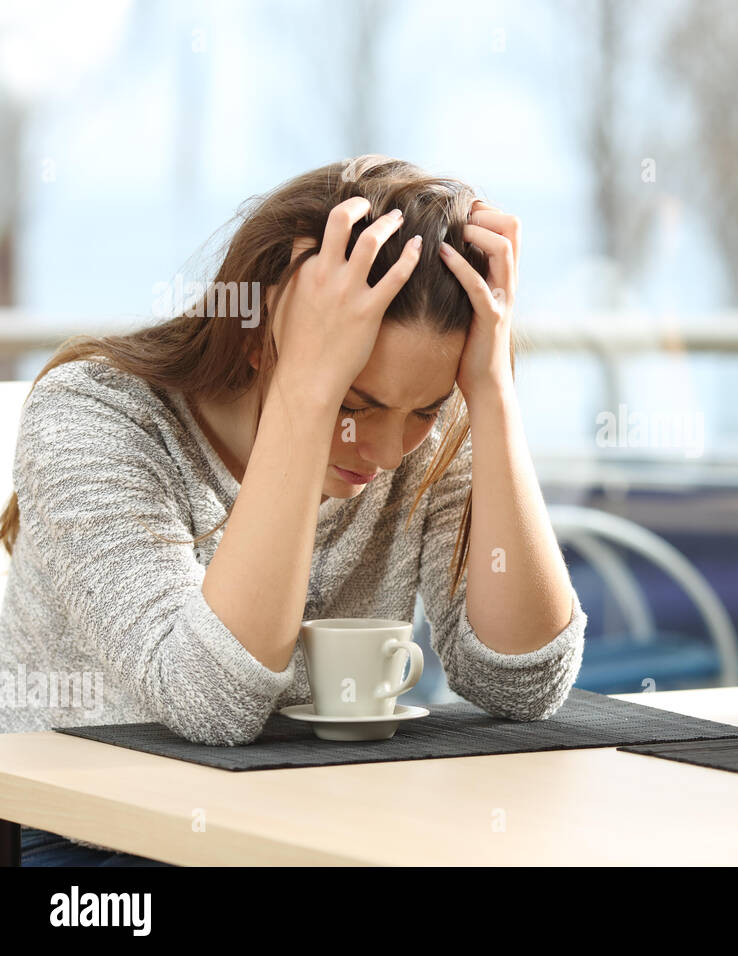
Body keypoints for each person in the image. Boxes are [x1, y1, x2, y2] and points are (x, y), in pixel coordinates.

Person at [0, 155, 587, 864]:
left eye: (424, 411)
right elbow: (208, 704)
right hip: (95, 840)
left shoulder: (422, 426)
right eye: (354, 404)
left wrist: (491, 392)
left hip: (321, 822)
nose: (389, 450)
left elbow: (520, 685)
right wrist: (308, 389)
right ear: (260, 334)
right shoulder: (93, 417)